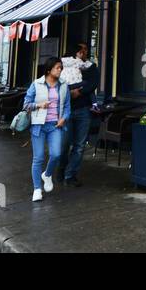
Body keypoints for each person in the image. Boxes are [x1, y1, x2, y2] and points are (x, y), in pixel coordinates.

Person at [23, 57, 69, 203]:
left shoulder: (64, 85)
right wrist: (39, 105)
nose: (60, 70)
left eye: (61, 68)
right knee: (39, 158)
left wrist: (64, 118)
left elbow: (67, 106)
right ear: (49, 70)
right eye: (57, 67)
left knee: (56, 154)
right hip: (38, 125)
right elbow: (26, 104)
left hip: (55, 126)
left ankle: (47, 174)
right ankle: (37, 189)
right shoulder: (36, 84)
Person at [58, 44, 99, 186]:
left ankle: (70, 175)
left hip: (83, 109)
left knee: (79, 145)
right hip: (65, 110)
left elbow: (93, 83)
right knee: (63, 145)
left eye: (85, 49)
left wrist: (79, 92)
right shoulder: (63, 64)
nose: (83, 51)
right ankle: (62, 168)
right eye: (80, 49)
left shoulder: (90, 67)